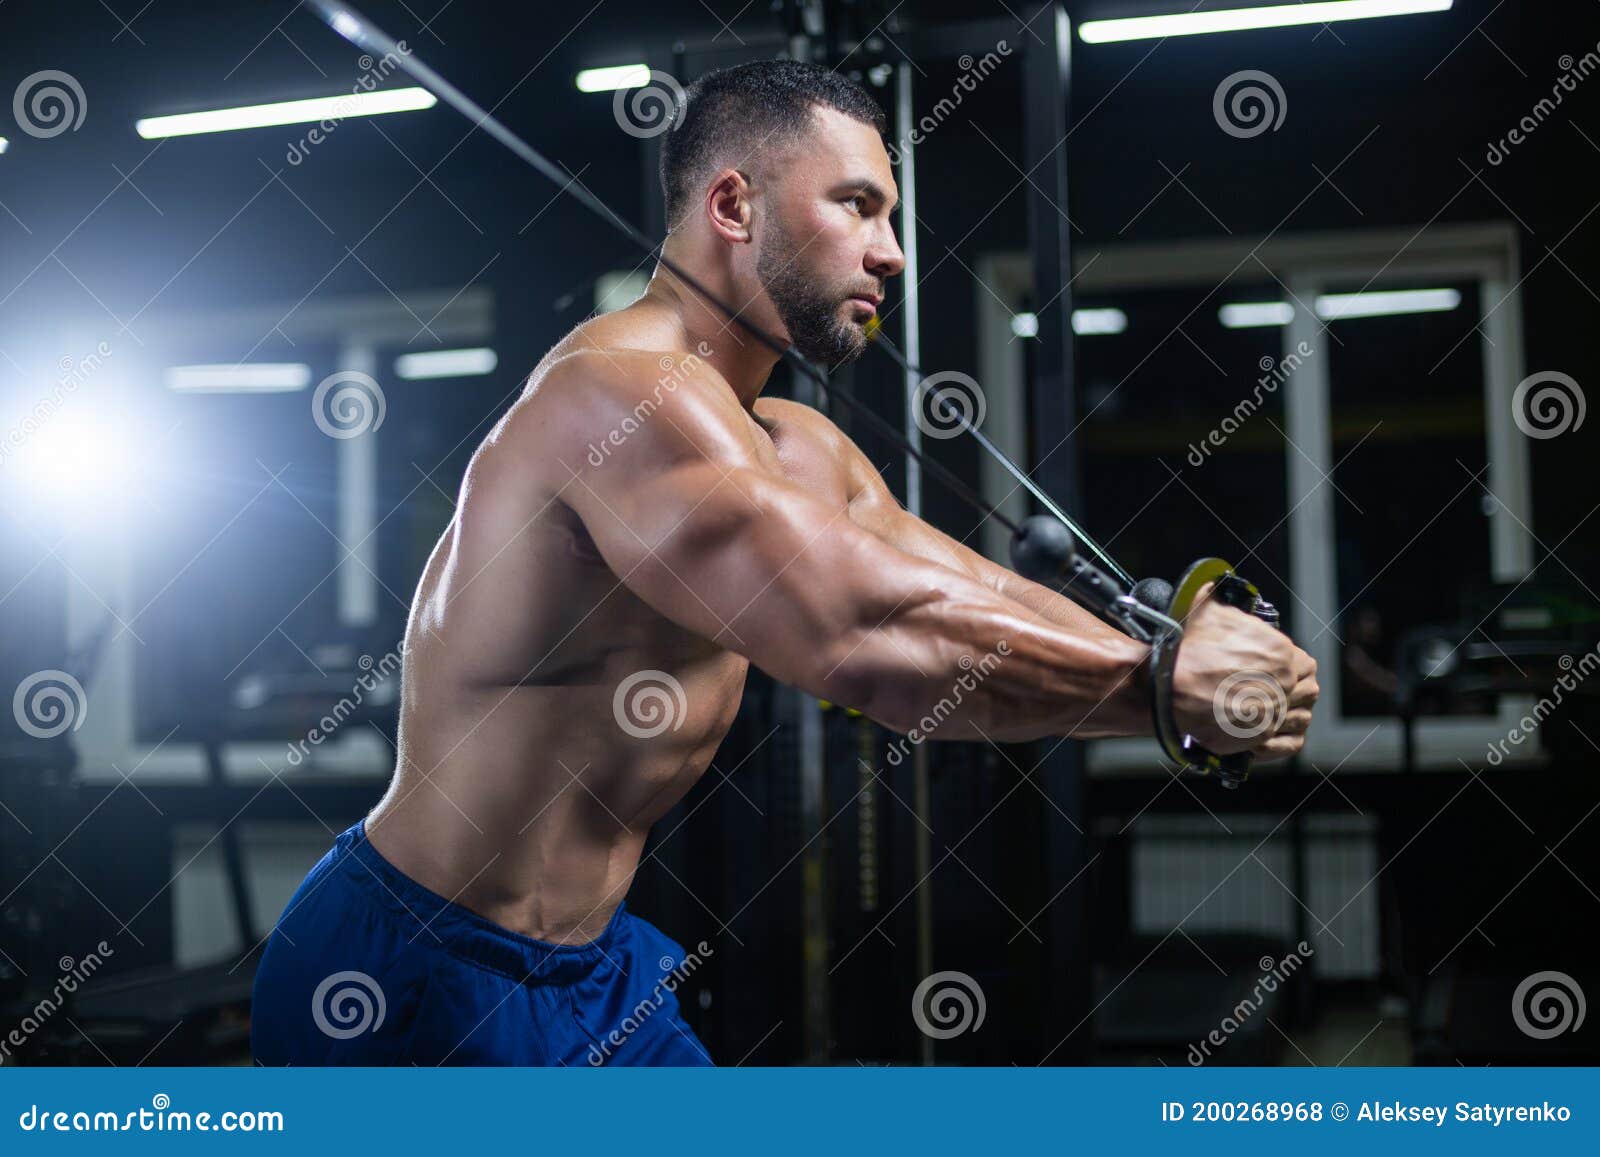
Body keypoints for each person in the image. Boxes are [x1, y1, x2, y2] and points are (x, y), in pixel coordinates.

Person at [251, 59, 1319, 1067]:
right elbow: (861, 634)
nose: (893, 250)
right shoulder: (614, 397)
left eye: (889, 214)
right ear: (733, 207)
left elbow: (962, 591)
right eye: (857, 204)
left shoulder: (792, 448)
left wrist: (1174, 652)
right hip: (409, 967)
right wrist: (1163, 689)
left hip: (593, 966)